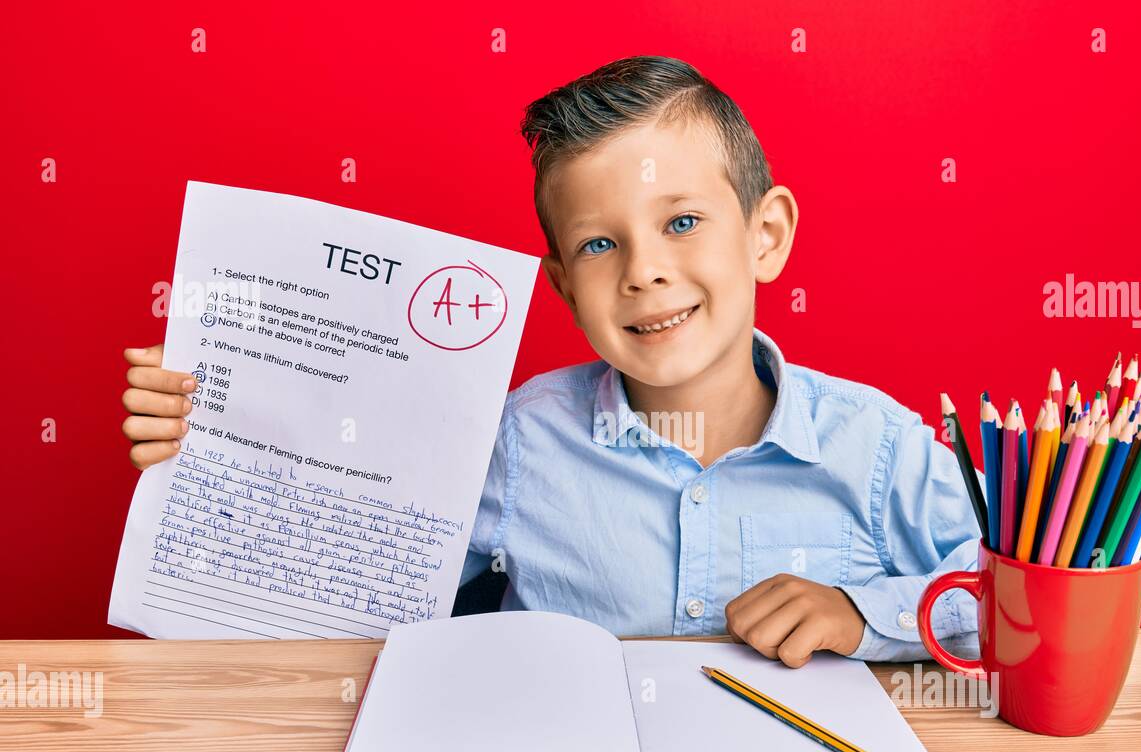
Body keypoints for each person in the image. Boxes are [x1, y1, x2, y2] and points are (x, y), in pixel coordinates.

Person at [121, 55, 980, 667]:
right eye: (601, 243)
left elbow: (1011, 607)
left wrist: (859, 614)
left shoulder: (877, 446)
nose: (643, 270)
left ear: (767, 235)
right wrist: (215, 444)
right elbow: (346, 582)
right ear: (565, 287)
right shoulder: (521, 439)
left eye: (682, 223)